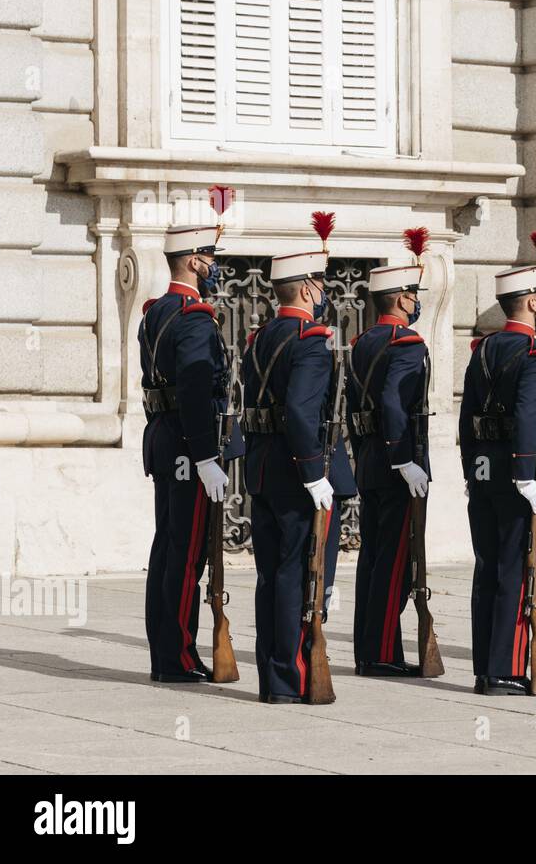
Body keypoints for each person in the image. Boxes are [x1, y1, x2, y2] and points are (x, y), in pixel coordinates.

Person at [240, 213, 356, 704]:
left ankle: (274, 676)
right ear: (308, 290)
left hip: (263, 466)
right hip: (294, 470)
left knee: (272, 576)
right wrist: (314, 473)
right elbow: (300, 411)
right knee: (294, 574)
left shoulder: (259, 339)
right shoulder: (309, 342)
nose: (324, 292)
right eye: (321, 284)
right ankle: (291, 678)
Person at [138, 221, 244, 682]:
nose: (214, 267)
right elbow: (197, 390)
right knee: (185, 553)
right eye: (211, 258)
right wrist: (205, 457)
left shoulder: (156, 312)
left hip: (164, 437)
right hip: (189, 443)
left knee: (167, 547)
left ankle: (164, 654)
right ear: (196, 261)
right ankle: (178, 657)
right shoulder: (195, 317)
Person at [459, 231, 536, 695]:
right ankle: (504, 669)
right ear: (533, 304)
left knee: (488, 567)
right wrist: (526, 475)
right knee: (515, 571)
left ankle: (486, 666)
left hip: (482, 472)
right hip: (518, 475)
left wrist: (470, 472)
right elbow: (526, 415)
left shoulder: (483, 353)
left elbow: (467, 419)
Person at [347, 228, 432, 676]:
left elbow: (352, 407)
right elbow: (394, 403)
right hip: (399, 465)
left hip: (371, 463)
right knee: (395, 563)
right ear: (400, 299)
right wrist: (404, 459)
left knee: (374, 558)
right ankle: (381, 653)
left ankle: (369, 649)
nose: (417, 302)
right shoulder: (405, 343)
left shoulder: (362, 343)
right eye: (414, 294)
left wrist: (366, 454)